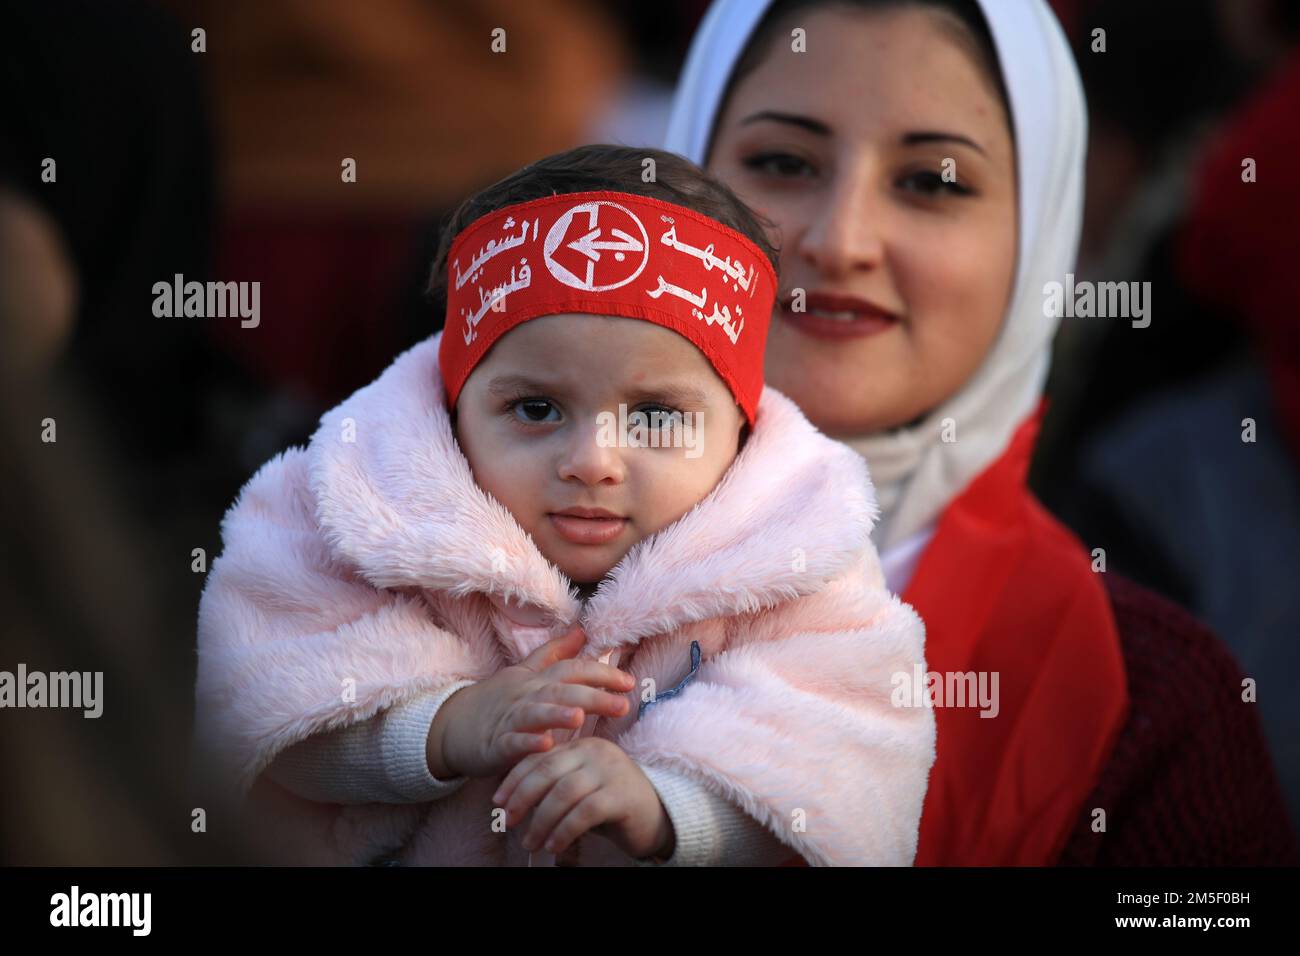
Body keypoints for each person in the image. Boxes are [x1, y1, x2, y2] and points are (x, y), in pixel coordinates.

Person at [665, 0, 1297, 864]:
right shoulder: (473, 567)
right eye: (781, 162)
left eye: (931, 182)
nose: (842, 239)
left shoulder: (1152, 699)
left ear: (1037, 238)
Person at [193, 144, 935, 867]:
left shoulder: (801, 560)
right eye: (537, 408)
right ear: (455, 408)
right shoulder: (350, 510)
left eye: (654, 416)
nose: (591, 462)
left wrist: (666, 812)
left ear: (740, 425)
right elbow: (264, 717)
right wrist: (445, 729)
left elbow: (839, 777)